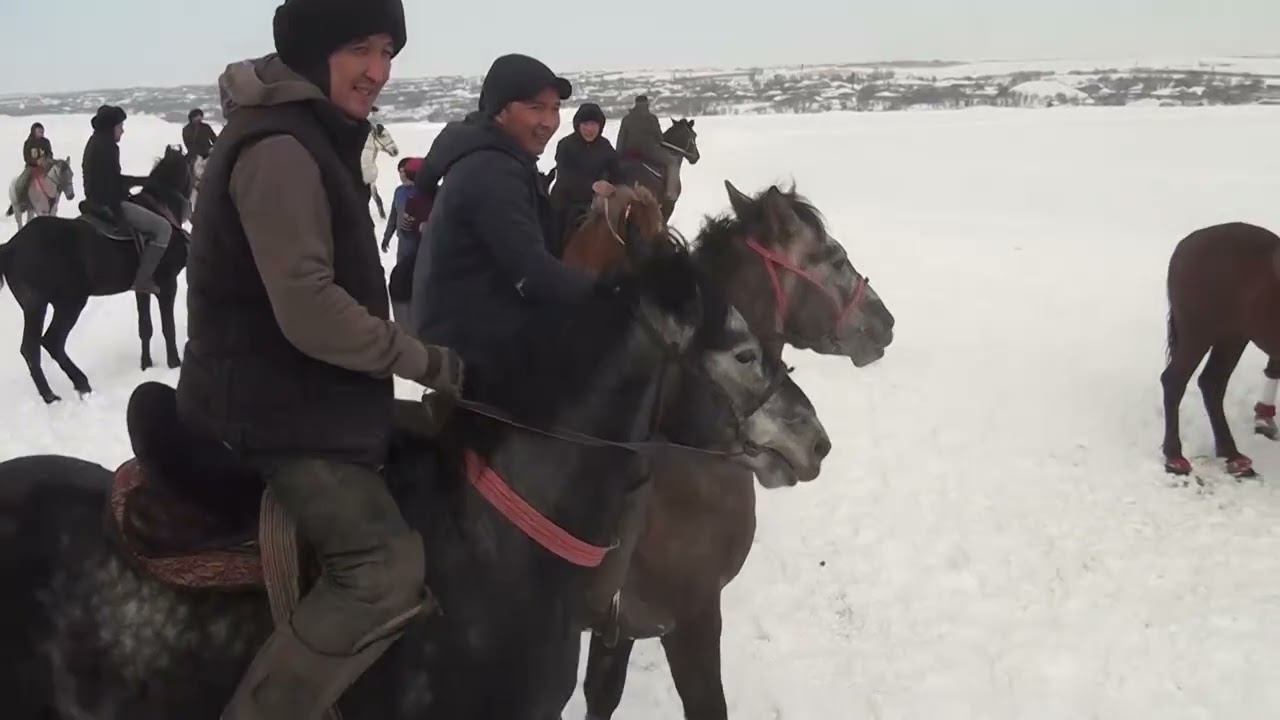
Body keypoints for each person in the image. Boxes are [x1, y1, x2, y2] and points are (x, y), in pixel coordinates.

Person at [173, 1, 464, 718]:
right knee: (383, 570)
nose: (379, 71)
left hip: (303, 388)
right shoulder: (279, 148)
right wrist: (421, 359)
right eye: (360, 48)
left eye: (388, 50)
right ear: (311, 52)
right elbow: (308, 308)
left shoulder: (312, 132)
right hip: (265, 408)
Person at [411, 53, 670, 640]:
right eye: (536, 107)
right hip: (474, 336)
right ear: (500, 110)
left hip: (480, 319)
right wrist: (617, 301)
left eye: (555, 108)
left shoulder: (501, 162)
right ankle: (586, 584)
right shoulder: (493, 172)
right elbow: (531, 271)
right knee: (614, 425)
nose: (550, 120)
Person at [82, 105, 173, 294]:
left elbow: (108, 179)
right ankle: (142, 279)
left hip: (95, 201)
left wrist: (139, 181)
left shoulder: (94, 143)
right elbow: (113, 184)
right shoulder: (109, 147)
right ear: (111, 127)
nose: (122, 130)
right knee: (163, 228)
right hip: (109, 203)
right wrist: (138, 185)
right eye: (120, 126)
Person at [550, 102, 620, 240]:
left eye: (593, 124)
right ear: (578, 126)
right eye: (585, 124)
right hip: (567, 201)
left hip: (598, 202)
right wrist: (592, 186)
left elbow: (617, 171)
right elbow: (565, 177)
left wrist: (615, 186)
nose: (589, 129)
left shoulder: (605, 146)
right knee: (555, 233)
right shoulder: (566, 145)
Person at [383, 156, 423, 325]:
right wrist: (387, 236)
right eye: (400, 172)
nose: (402, 175)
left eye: (404, 172)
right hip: (403, 244)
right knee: (402, 280)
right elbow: (394, 215)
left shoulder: (427, 192)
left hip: (420, 245)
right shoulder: (399, 192)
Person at [615, 94, 677, 201]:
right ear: (647, 104)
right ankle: (670, 193)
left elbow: (621, 138)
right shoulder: (652, 118)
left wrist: (618, 156)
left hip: (629, 152)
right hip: (650, 151)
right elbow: (659, 139)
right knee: (672, 162)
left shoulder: (626, 119)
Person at [15, 122, 53, 207]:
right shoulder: (28, 143)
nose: (41, 133)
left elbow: (50, 153)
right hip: (31, 167)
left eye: (42, 131)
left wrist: (46, 160)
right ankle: (22, 201)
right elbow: (26, 157)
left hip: (44, 166)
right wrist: (35, 162)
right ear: (33, 131)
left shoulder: (46, 142)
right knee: (22, 182)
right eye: (39, 131)